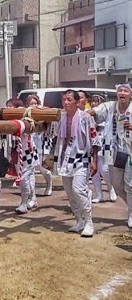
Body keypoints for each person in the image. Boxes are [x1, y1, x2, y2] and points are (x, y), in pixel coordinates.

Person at [55, 90, 97, 237]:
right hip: (66, 160)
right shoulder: (62, 119)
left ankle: (89, 222)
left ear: (76, 101)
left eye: (69, 99)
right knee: (70, 192)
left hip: (82, 158)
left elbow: (94, 140)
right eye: (64, 100)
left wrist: (94, 161)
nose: (66, 102)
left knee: (79, 189)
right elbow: (58, 140)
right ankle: (79, 220)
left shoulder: (85, 117)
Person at [90, 84, 132, 228]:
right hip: (113, 151)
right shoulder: (110, 106)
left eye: (126, 91)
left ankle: (131, 214)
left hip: (130, 151)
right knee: (116, 184)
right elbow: (96, 111)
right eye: (120, 90)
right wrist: (87, 113)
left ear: (130, 94)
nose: (122, 93)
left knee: (130, 185)